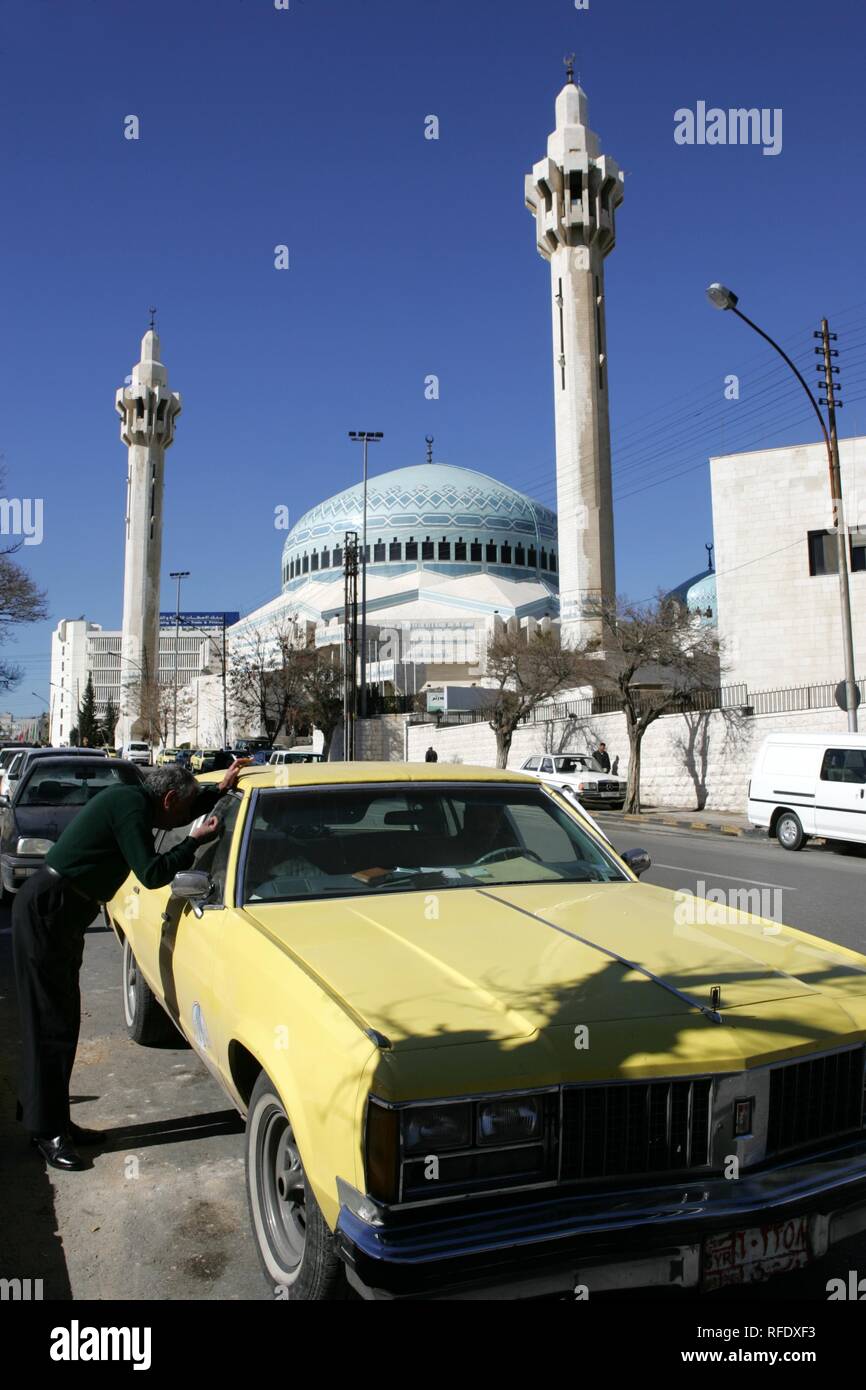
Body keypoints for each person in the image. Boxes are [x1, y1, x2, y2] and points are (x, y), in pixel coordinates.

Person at [12, 758, 249, 1172]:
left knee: (63, 1020)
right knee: (48, 1023)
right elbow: (153, 873)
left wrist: (220, 789)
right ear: (169, 797)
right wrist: (193, 842)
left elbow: (182, 807)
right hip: (49, 910)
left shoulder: (139, 801)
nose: (181, 817)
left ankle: (55, 1120)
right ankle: (46, 1131)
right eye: (183, 807)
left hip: (63, 913)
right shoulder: (129, 806)